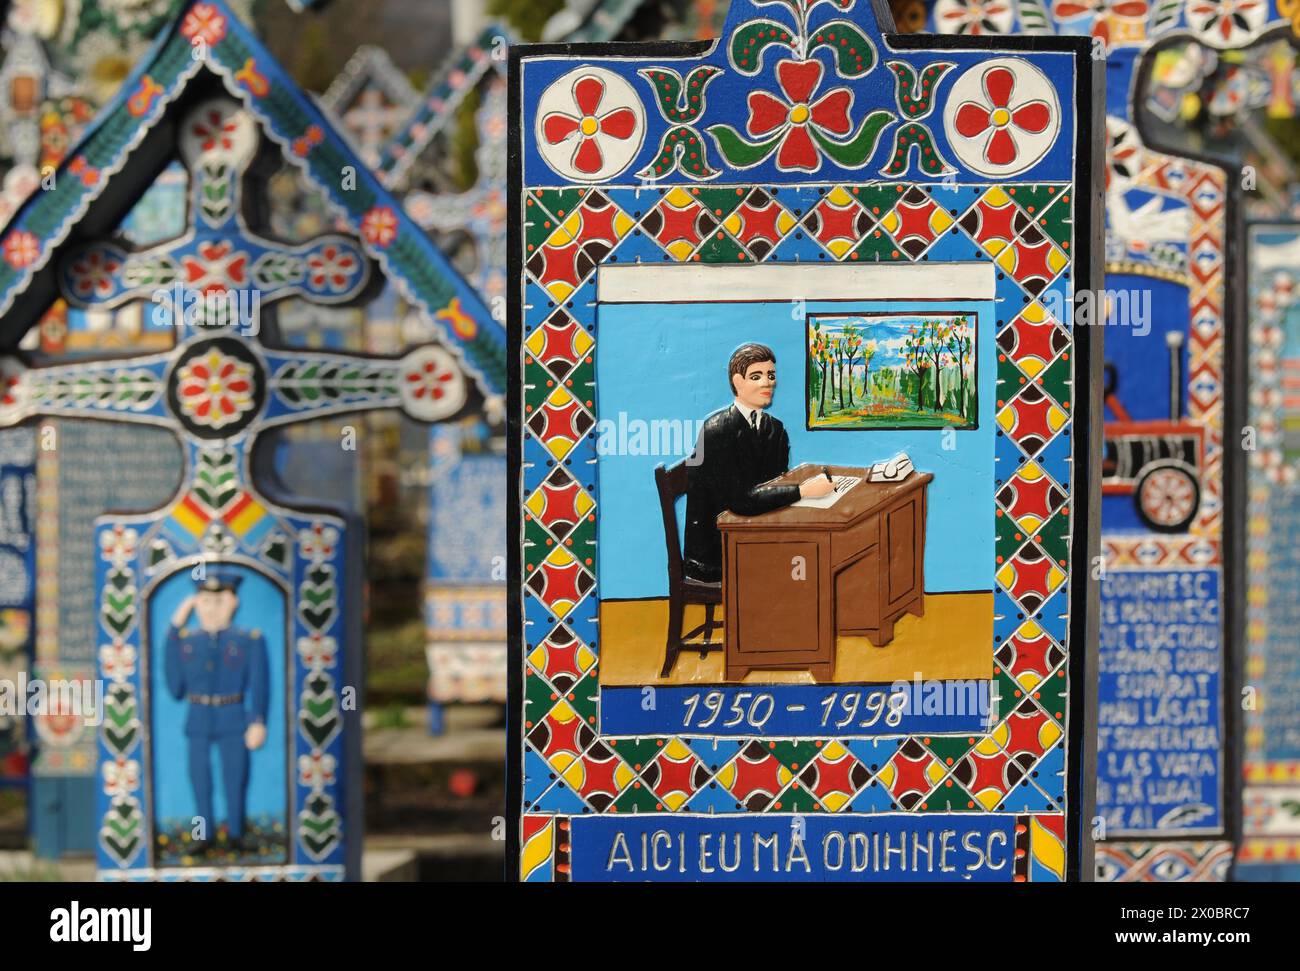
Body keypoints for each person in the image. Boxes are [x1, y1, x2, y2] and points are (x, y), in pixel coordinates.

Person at [683, 343, 833, 583]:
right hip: (715, 554)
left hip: (754, 532)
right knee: (805, 565)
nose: (767, 383)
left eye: (771, 375)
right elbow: (742, 502)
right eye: (756, 376)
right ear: (737, 381)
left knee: (814, 557)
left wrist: (803, 491)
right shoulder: (717, 430)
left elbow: (775, 483)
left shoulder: (775, 429)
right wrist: (805, 491)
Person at [165, 568, 269, 855]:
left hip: (232, 716)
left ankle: (236, 834)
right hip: (198, 718)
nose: (212, 609)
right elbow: (175, 686)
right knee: (200, 778)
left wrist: (257, 721)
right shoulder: (187, 641)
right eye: (205, 601)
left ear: (233, 602)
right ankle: (204, 833)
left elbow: (259, 684)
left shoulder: (248, 640)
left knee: (235, 777)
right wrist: (176, 625)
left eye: (220, 601)